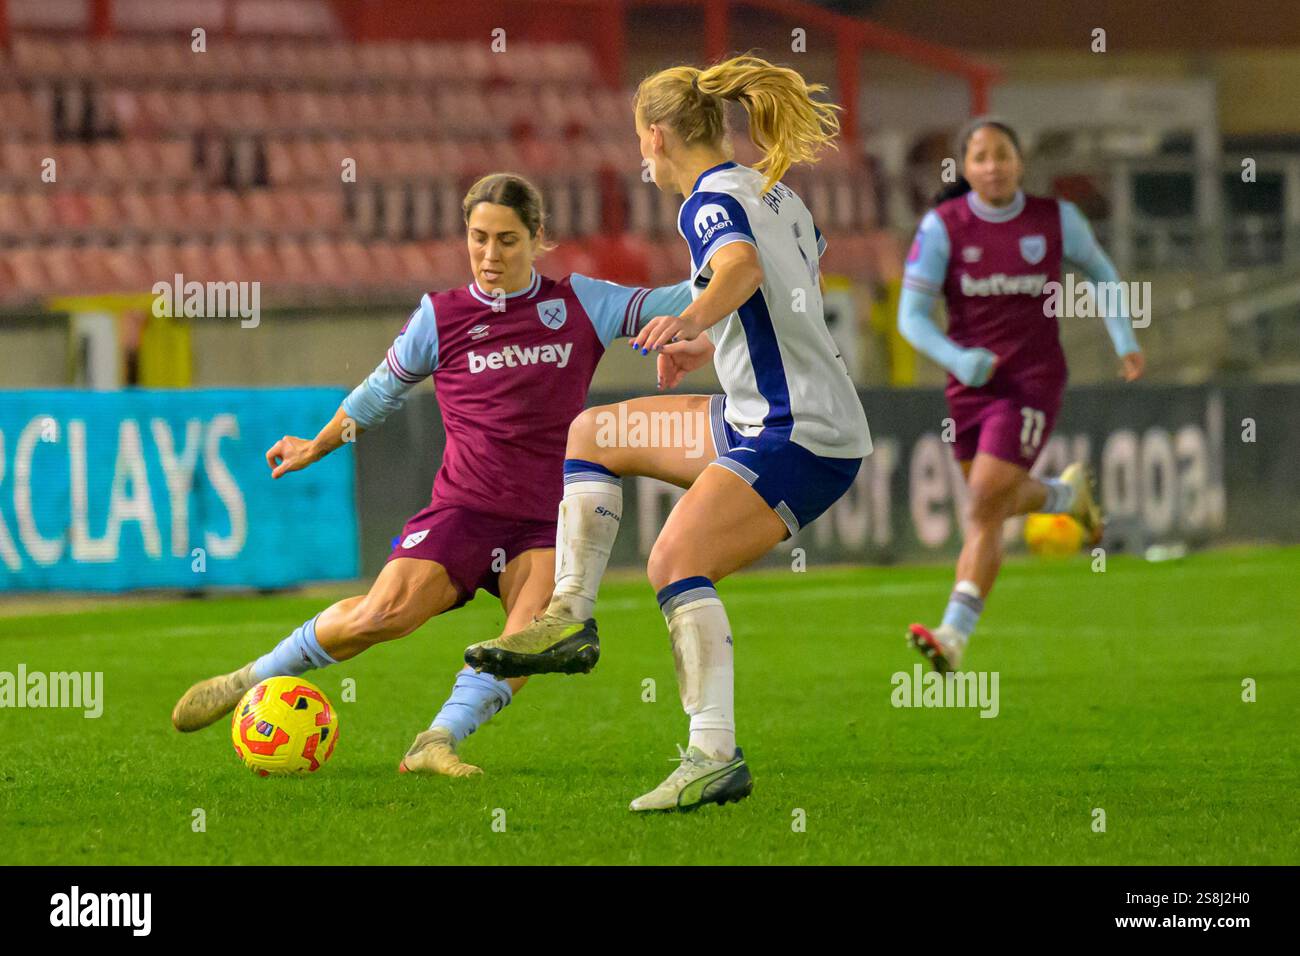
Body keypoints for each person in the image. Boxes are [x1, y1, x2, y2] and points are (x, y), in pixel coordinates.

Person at [170, 172, 692, 776]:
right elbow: (379, 393)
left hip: (548, 519)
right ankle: (252, 678)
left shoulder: (582, 304)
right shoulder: (441, 317)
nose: (489, 256)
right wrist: (316, 445)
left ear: (537, 239)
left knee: (532, 632)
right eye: (478, 239)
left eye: (506, 240)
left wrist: (744, 268)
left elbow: (677, 301)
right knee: (381, 615)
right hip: (465, 509)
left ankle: (436, 741)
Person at [462, 56, 872, 813]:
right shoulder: (773, 192)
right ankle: (568, 621)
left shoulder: (707, 204)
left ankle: (713, 755)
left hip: (800, 435)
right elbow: (791, 300)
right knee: (595, 431)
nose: (641, 159)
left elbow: (743, 271)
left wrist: (690, 317)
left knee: (675, 560)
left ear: (656, 136)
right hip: (764, 415)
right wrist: (711, 343)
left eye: (638, 142)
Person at [898, 118, 1144, 673]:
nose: (993, 166)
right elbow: (909, 318)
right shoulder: (943, 227)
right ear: (966, 167)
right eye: (981, 157)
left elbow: (1103, 274)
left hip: (1031, 382)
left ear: (1020, 161)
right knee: (992, 501)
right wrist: (958, 359)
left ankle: (953, 636)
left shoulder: (1054, 219)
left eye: (1003, 154)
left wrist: (1124, 338)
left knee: (984, 500)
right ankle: (1064, 498)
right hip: (969, 387)